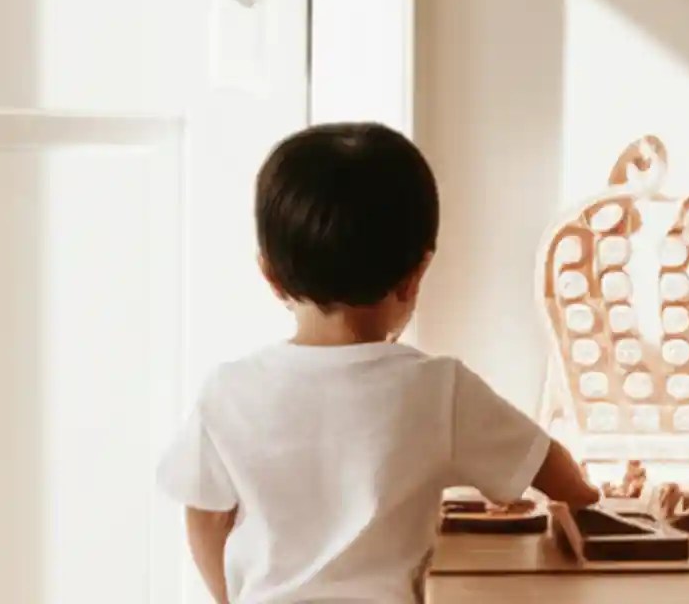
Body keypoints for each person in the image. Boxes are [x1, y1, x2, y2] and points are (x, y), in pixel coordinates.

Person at [156, 122, 599, 603]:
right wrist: (595, 496)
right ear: (415, 276)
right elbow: (554, 472)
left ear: (270, 274)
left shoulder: (229, 390)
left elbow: (203, 513)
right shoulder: (438, 389)